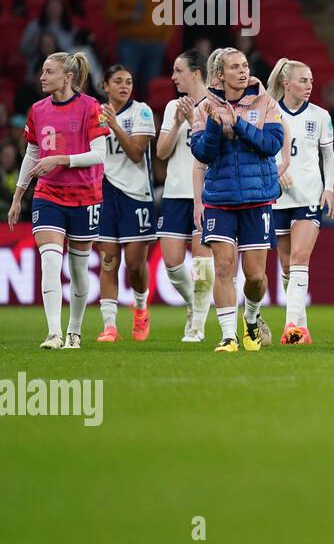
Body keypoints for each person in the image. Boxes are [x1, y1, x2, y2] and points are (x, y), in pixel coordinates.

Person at [6, 53, 107, 350]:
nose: (42, 77)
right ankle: (54, 332)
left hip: (85, 196)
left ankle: (74, 331)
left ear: (68, 76)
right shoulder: (37, 110)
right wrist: (18, 195)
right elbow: (33, 155)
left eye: (48, 72)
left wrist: (62, 159)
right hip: (48, 195)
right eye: (42, 71)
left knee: (78, 270)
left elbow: (100, 154)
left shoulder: (91, 108)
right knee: (50, 261)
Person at [189, 47, 284, 353]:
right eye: (235, 67)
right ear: (220, 74)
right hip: (220, 198)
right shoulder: (204, 109)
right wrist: (217, 126)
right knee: (224, 268)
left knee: (256, 277)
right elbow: (202, 152)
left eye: (245, 66)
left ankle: (252, 318)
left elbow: (272, 144)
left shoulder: (265, 102)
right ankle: (229, 336)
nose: (243, 71)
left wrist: (239, 125)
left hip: (257, 199)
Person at [268, 58, 334, 344]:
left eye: (310, 80)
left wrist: (329, 188)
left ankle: (291, 325)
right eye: (302, 80)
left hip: (308, 194)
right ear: (286, 83)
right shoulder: (269, 114)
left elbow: (328, 156)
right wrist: (276, 169)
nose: (309, 85)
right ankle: (302, 327)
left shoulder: (320, 116)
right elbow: (262, 150)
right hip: (278, 197)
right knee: (287, 267)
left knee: (299, 258)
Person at [155, 50, 215, 343]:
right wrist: (178, 121)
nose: (173, 77)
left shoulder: (216, 104)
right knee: (172, 263)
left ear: (196, 73)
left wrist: (194, 120)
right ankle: (195, 305)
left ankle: (197, 326)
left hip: (206, 193)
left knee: (202, 263)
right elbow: (162, 153)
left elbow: (213, 149)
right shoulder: (171, 107)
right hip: (175, 192)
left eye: (178, 71)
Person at [94, 65, 157, 342]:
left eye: (128, 81)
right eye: (117, 81)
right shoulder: (93, 114)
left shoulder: (141, 112)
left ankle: (141, 309)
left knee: (134, 264)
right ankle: (109, 326)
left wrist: (114, 126)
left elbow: (135, 153)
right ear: (105, 85)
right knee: (108, 260)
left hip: (136, 194)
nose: (124, 86)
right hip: (105, 193)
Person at [104, 0, 169, 86]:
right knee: (126, 83)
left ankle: (147, 107)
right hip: (130, 42)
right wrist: (128, 16)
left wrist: (164, 40)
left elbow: (170, 15)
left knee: (151, 85)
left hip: (154, 43)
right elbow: (109, 13)